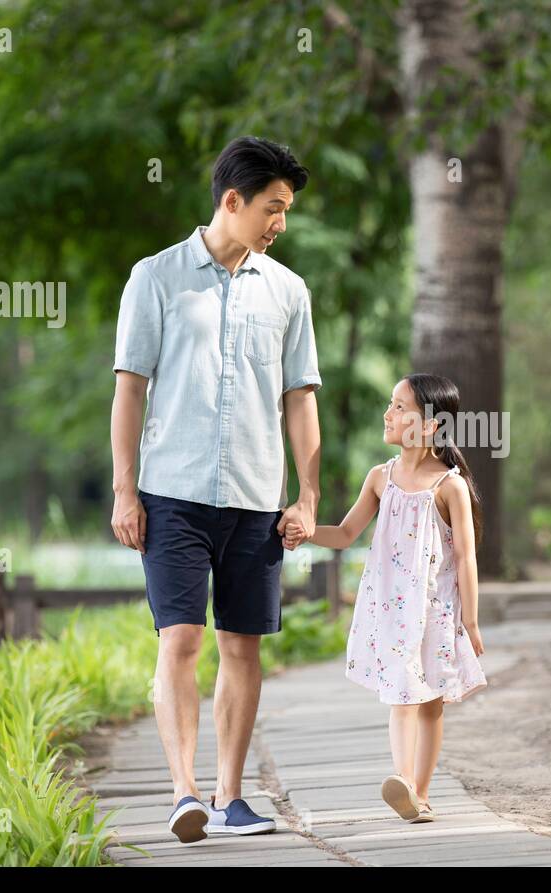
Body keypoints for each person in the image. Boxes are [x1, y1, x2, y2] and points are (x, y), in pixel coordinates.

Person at [109, 136, 322, 843]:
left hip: (258, 497)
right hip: (172, 492)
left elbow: (300, 399)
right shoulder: (157, 278)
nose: (280, 223)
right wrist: (125, 489)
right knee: (181, 638)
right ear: (231, 200)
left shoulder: (289, 292)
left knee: (244, 647)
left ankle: (232, 797)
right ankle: (183, 792)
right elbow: (130, 390)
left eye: (285, 210)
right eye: (273, 207)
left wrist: (308, 496)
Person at [285, 372, 487, 824]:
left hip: (436, 612)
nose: (388, 414)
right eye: (391, 404)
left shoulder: (449, 486)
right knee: (402, 697)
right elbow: (346, 532)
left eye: (399, 407)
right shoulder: (381, 478)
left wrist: (470, 621)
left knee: (431, 704)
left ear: (431, 425)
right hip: (393, 612)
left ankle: (422, 791)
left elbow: (467, 558)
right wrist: (306, 531)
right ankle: (403, 783)